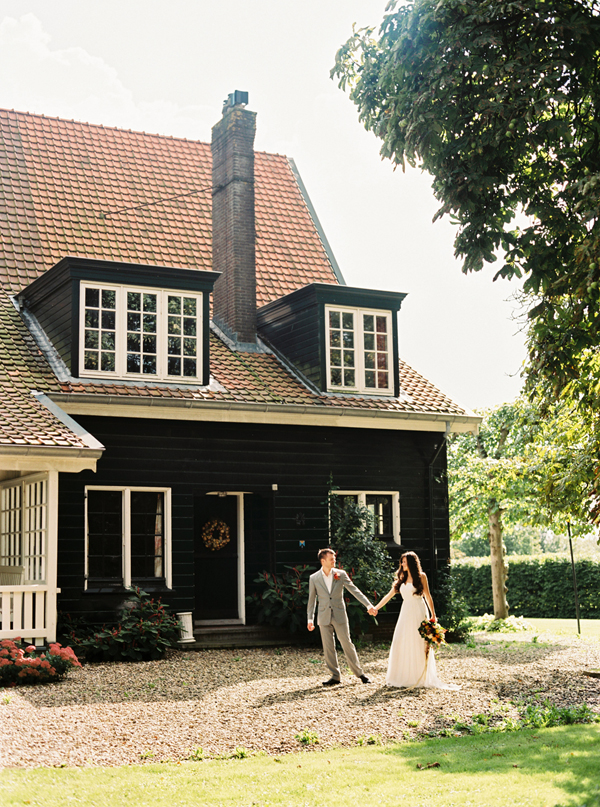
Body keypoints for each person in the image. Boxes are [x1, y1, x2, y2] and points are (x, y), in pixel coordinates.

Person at [373, 551, 459, 690]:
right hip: (405, 611)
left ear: (412, 563)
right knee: (401, 640)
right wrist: (376, 608)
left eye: (405, 562)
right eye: (402, 561)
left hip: (419, 610)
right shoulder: (401, 577)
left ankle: (419, 676)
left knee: (418, 641)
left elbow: (427, 596)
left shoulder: (421, 577)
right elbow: (389, 595)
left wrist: (433, 615)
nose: (402, 564)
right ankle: (402, 675)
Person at [307, 547, 377, 685]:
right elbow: (311, 600)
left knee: (347, 643)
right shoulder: (313, 578)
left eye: (334, 558)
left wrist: (369, 605)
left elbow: (354, 590)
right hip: (323, 616)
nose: (334, 561)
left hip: (339, 615)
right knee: (328, 648)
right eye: (331, 559)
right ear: (323, 561)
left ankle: (360, 674)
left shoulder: (341, 574)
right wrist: (310, 619)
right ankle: (335, 676)